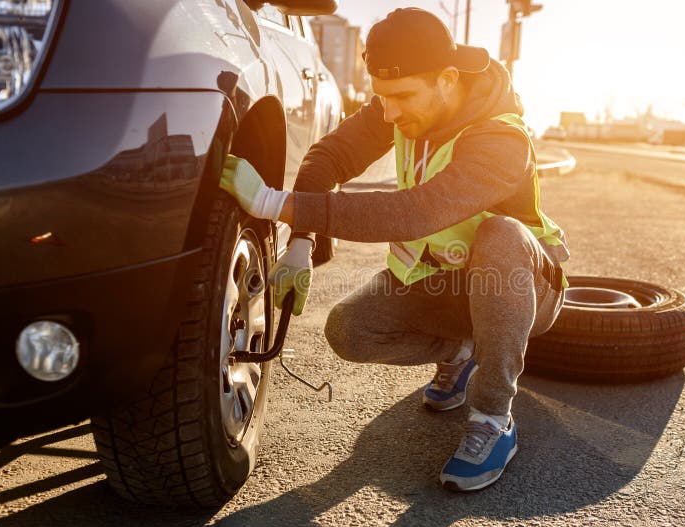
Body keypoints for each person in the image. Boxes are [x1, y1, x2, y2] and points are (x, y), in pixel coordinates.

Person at [219, 7, 569, 492]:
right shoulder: (401, 105)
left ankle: (493, 418)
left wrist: (274, 204)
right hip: (444, 285)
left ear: (448, 80)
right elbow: (328, 156)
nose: (389, 112)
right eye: (381, 97)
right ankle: (465, 349)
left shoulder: (501, 137)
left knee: (501, 235)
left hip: (522, 284)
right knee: (349, 330)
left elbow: (416, 212)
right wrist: (299, 244)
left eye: (401, 97)